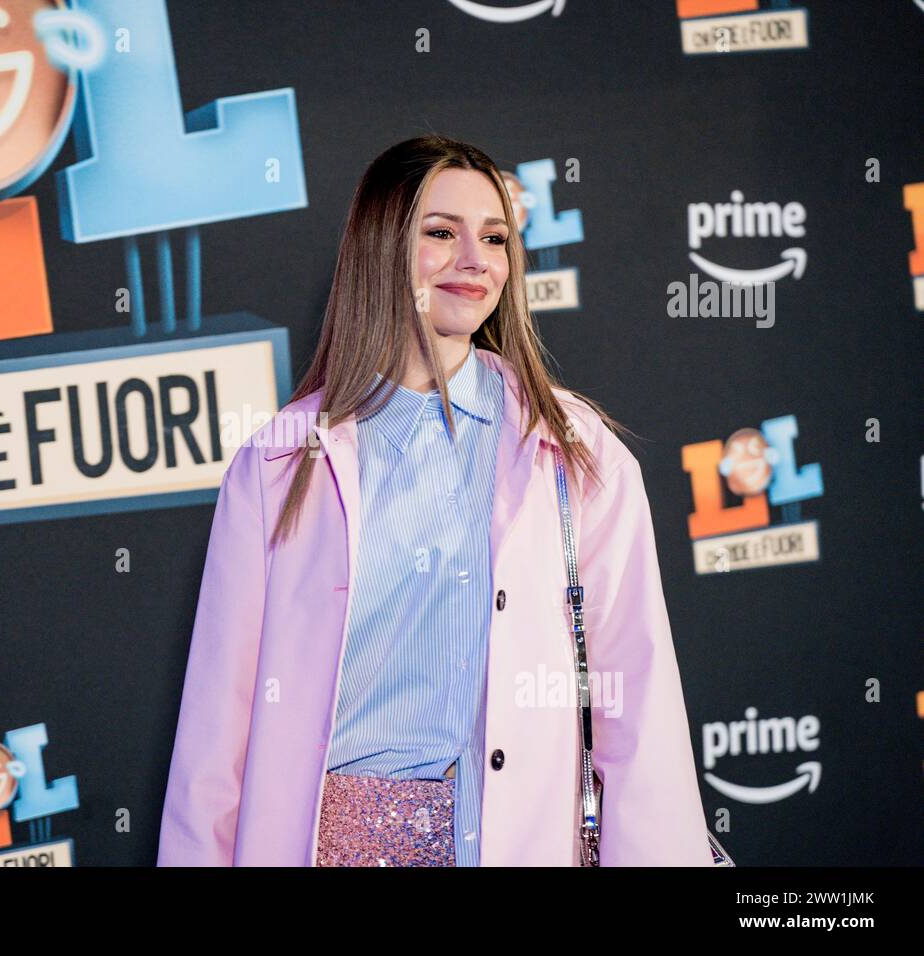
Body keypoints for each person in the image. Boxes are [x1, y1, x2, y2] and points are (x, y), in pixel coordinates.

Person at [157, 135, 715, 866]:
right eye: (441, 233)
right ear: (381, 248)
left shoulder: (578, 452)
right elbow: (214, 739)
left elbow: (636, 706)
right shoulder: (278, 461)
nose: (475, 261)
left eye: (494, 237)